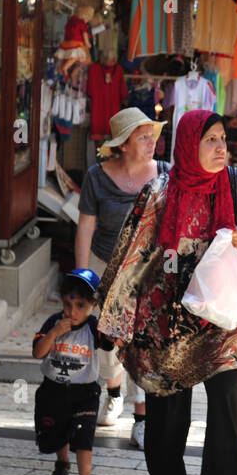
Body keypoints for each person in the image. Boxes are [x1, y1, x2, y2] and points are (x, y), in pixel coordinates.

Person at [96, 110, 237, 475]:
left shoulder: (234, 184)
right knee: (167, 400)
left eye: (222, 140)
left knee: (227, 401)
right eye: (209, 140)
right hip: (168, 317)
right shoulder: (159, 193)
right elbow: (131, 255)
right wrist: (114, 317)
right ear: (189, 145)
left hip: (222, 318)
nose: (219, 148)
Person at [76, 108, 167, 445]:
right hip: (105, 267)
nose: (151, 142)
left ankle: (140, 414)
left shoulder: (165, 174)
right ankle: (113, 392)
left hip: (147, 272)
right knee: (107, 342)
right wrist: (82, 277)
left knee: (140, 342)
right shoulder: (97, 177)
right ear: (124, 144)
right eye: (143, 137)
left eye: (152, 135)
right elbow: (86, 225)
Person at [32, 269, 110, 475]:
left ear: (93, 306)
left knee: (84, 436)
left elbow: (110, 343)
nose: (73, 312)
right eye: (68, 304)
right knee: (58, 433)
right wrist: (54, 333)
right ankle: (62, 463)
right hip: (53, 390)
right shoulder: (53, 323)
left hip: (86, 393)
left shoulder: (94, 327)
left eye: (81, 306)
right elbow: (38, 352)